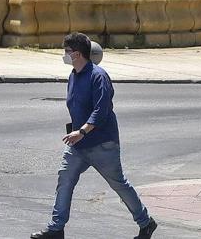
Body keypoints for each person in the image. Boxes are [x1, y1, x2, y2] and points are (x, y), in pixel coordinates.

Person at [31, 33, 158, 239]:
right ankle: (56, 229)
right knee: (65, 179)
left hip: (102, 144)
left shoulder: (98, 76)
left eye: (67, 51)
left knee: (119, 184)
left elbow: (101, 110)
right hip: (77, 145)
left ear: (77, 54)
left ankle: (146, 222)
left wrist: (82, 131)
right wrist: (77, 133)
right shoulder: (74, 75)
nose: (64, 55)